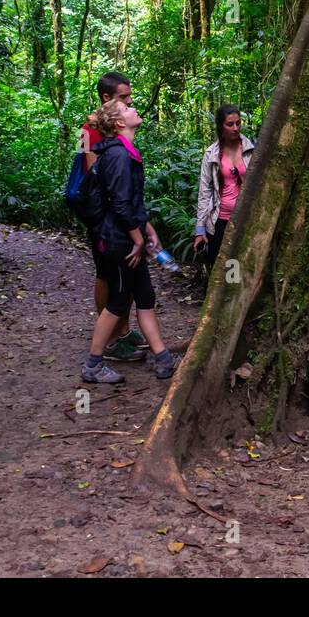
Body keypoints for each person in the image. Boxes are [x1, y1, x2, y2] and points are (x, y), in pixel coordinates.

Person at [82, 99, 183, 384]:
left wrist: (148, 230)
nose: (133, 108)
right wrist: (138, 240)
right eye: (127, 109)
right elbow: (121, 205)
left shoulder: (125, 152)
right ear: (119, 123)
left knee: (146, 297)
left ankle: (163, 359)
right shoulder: (118, 156)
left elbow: (131, 203)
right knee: (118, 300)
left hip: (127, 237)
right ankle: (93, 364)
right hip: (119, 243)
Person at [79, 72, 146, 363]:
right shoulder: (88, 130)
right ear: (107, 99)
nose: (129, 101)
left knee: (125, 276)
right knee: (106, 274)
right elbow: (94, 174)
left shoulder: (116, 132)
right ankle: (111, 339)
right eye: (123, 98)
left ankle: (123, 330)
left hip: (119, 216)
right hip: (106, 220)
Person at [193, 103, 256, 274]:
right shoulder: (211, 154)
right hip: (220, 221)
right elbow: (204, 193)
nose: (235, 128)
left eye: (238, 123)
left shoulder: (251, 149)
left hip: (246, 219)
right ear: (221, 126)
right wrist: (200, 229)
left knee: (243, 267)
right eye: (230, 124)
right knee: (222, 270)